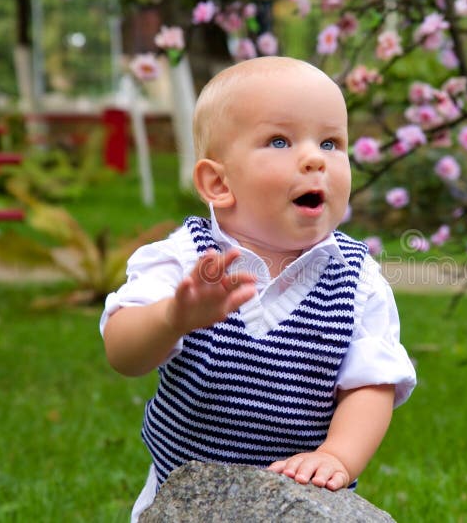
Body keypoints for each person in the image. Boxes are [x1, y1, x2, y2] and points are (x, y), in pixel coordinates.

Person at [100, 56, 416, 520]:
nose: (314, 158)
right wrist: (172, 318)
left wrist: (337, 456)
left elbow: (371, 384)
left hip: (297, 498)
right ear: (218, 182)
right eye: (280, 141)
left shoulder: (358, 279)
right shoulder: (186, 258)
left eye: (330, 142)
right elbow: (123, 353)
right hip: (183, 499)